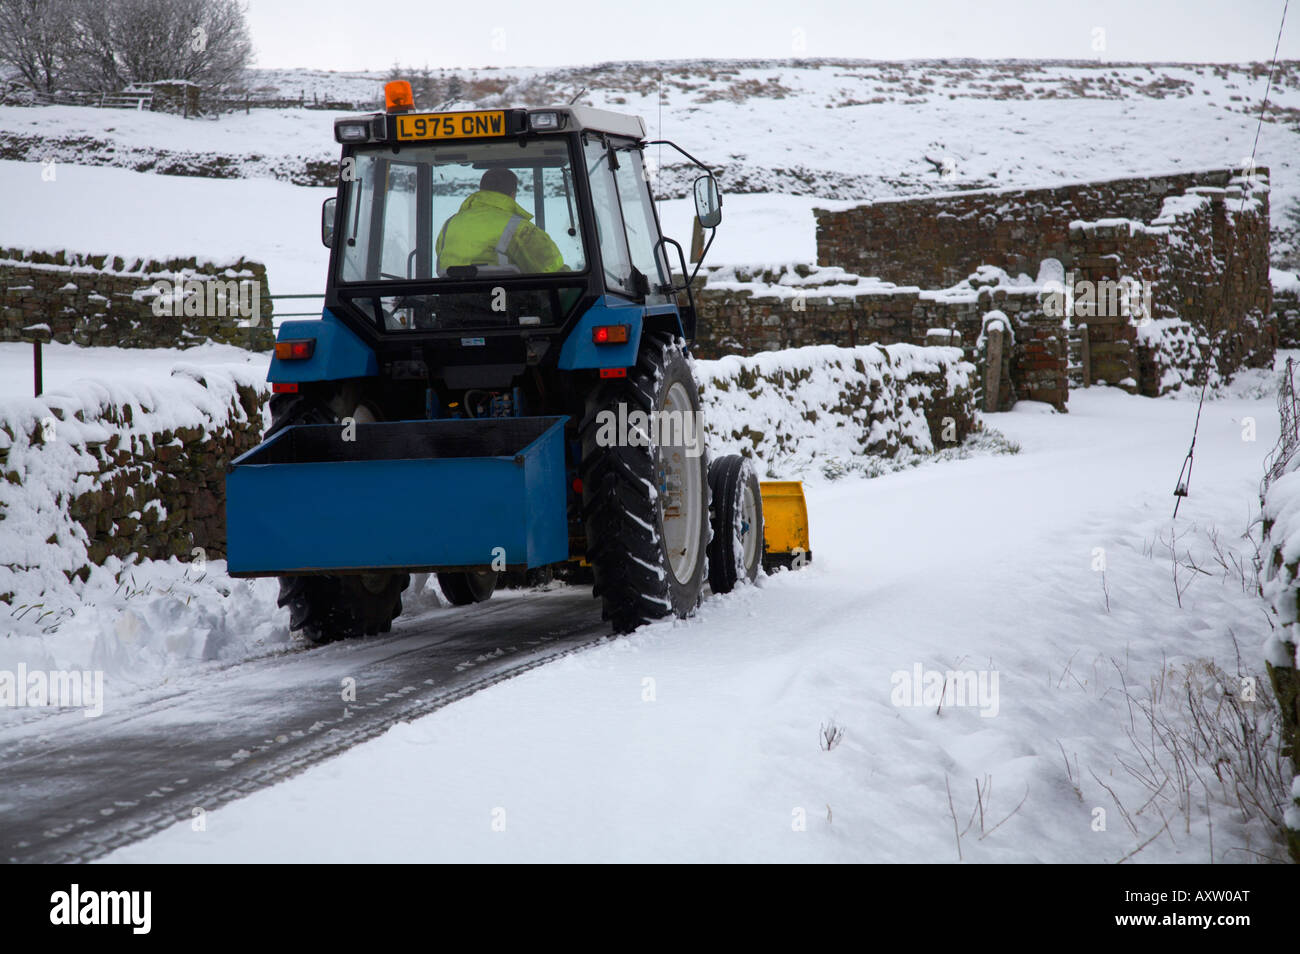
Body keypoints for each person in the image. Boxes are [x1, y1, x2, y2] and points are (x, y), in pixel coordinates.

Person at [435, 169, 565, 274]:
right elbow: (552, 270)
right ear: (513, 194)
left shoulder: (450, 224)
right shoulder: (518, 227)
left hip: (452, 297)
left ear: (481, 191)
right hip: (506, 297)